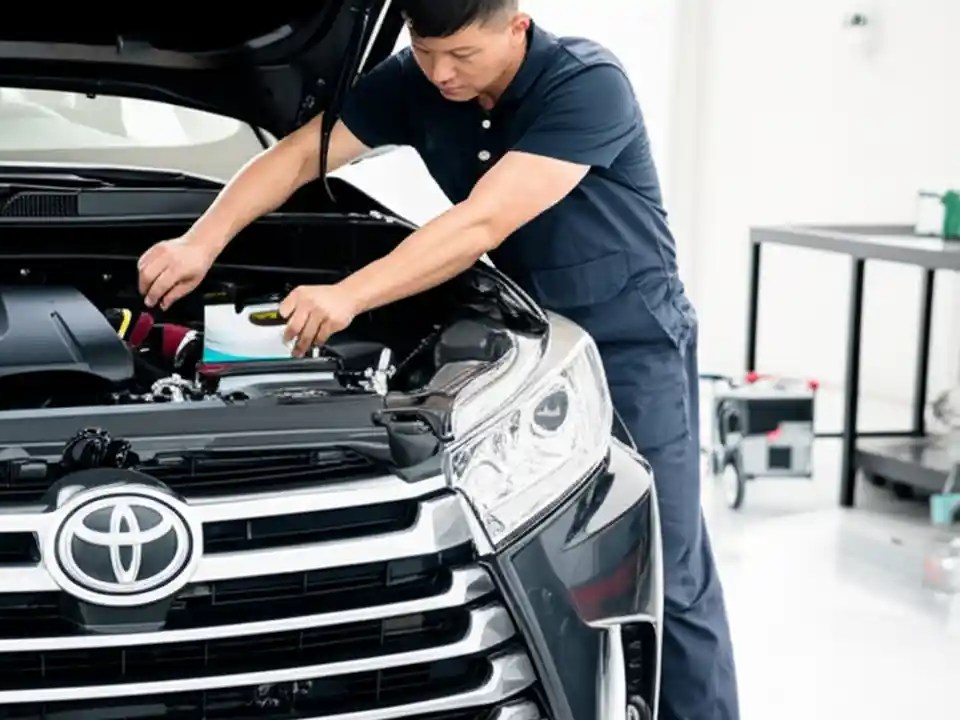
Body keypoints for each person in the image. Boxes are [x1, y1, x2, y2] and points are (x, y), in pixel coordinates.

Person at [136, 1, 739, 717]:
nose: (442, 75)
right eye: (426, 53)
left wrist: (349, 295)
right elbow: (299, 154)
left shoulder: (586, 83)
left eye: (462, 56)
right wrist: (201, 242)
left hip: (632, 342)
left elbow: (482, 220)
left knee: (668, 565)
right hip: (526, 345)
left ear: (516, 28)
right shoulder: (413, 80)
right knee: (546, 561)